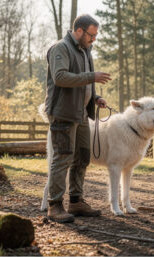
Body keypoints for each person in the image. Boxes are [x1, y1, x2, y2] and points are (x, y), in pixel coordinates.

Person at [42, 14, 111, 223]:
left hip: (81, 114)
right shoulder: (60, 48)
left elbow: (83, 84)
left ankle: (76, 201)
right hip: (63, 113)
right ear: (79, 31)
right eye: (92, 35)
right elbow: (61, 77)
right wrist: (92, 76)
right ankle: (54, 206)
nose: (94, 39)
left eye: (96, 35)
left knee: (82, 157)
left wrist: (95, 97)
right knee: (62, 157)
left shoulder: (85, 51)